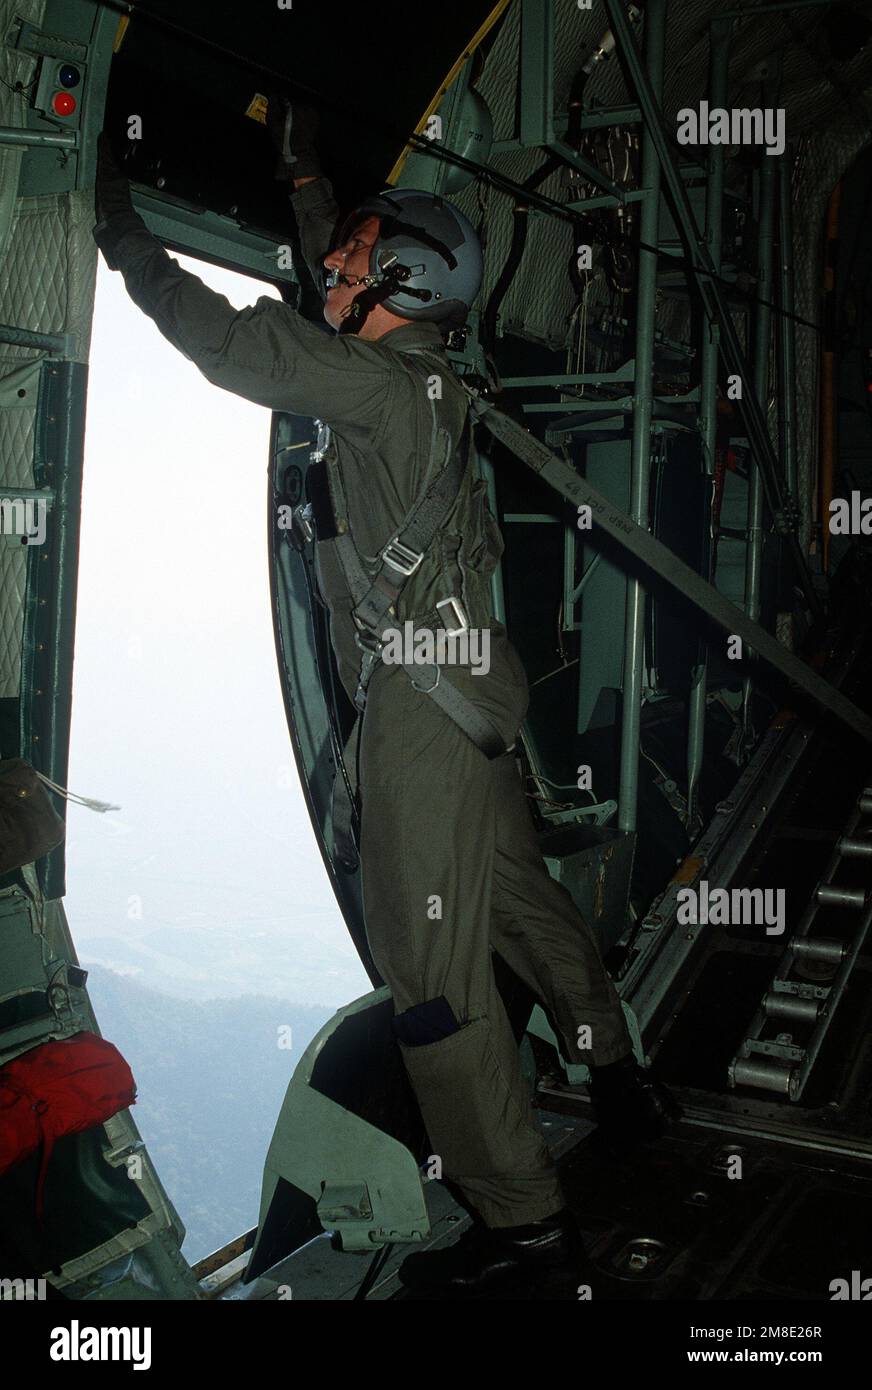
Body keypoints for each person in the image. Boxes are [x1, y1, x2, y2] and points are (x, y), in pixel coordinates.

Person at [92, 104, 673, 1297]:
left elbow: (232, 342)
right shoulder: (423, 383)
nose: (336, 261)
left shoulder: (364, 386)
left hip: (420, 720)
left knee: (434, 987)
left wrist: (121, 236)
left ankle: (525, 1228)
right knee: (518, 903)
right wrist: (307, 174)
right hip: (469, 698)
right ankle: (618, 1078)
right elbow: (329, 285)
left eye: (357, 252)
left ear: (398, 279)